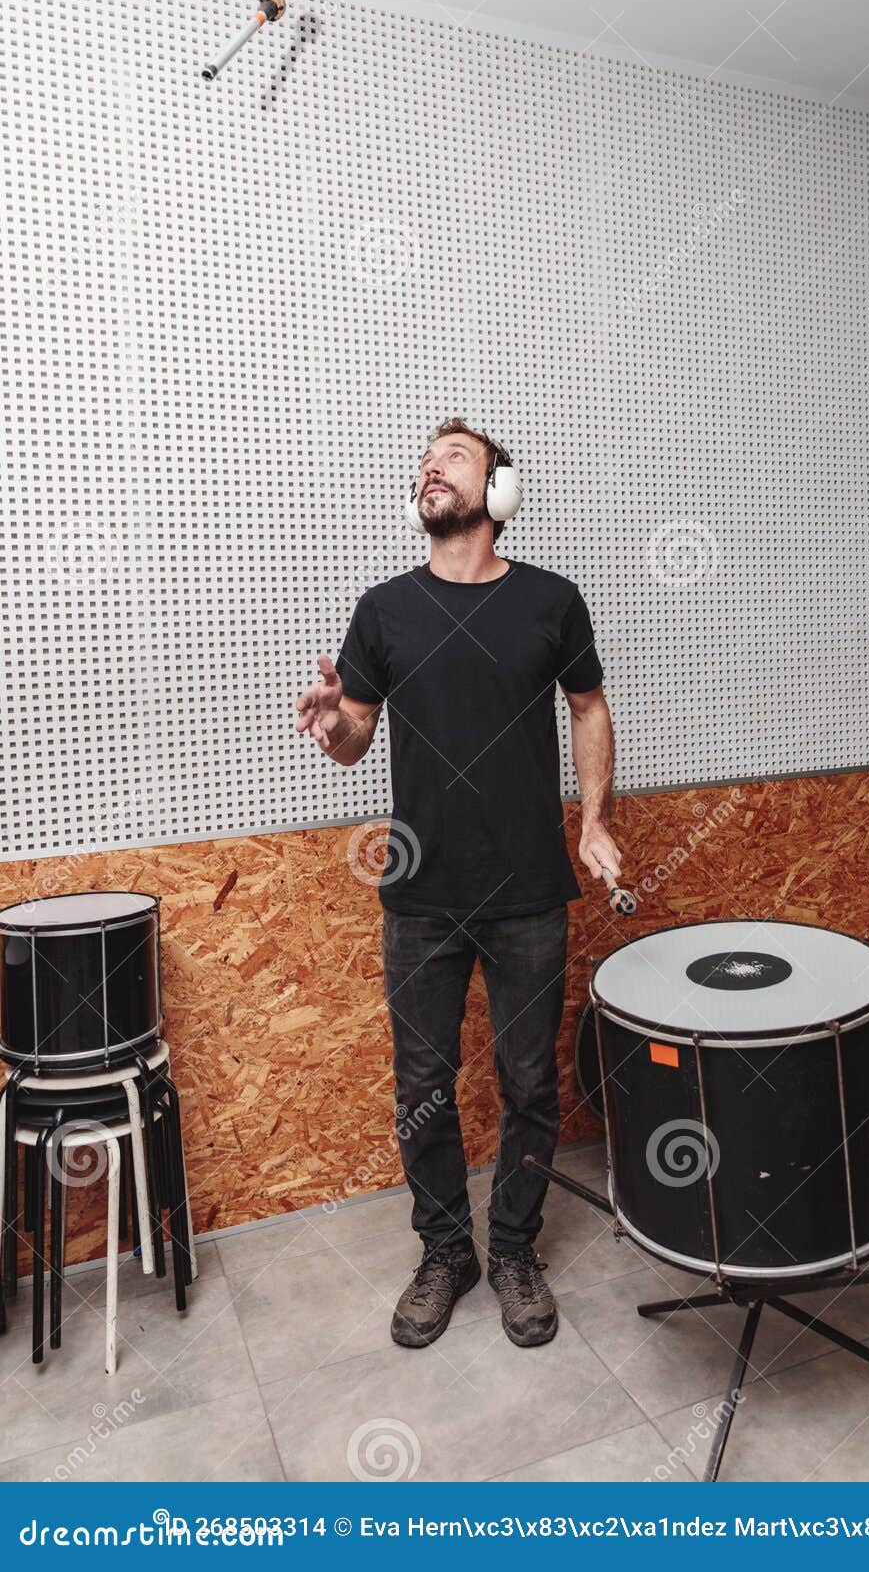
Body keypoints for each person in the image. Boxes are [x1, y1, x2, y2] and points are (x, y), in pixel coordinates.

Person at [294, 419, 621, 1350]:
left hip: (528, 892)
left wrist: (592, 819)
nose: (431, 469)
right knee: (422, 1086)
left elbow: (589, 705)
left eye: (454, 458)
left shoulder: (551, 603)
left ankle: (514, 1248)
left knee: (526, 1082)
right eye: (425, 463)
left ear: (499, 490)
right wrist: (333, 728)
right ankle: (446, 1252)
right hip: (421, 898)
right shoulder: (384, 610)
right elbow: (355, 734)